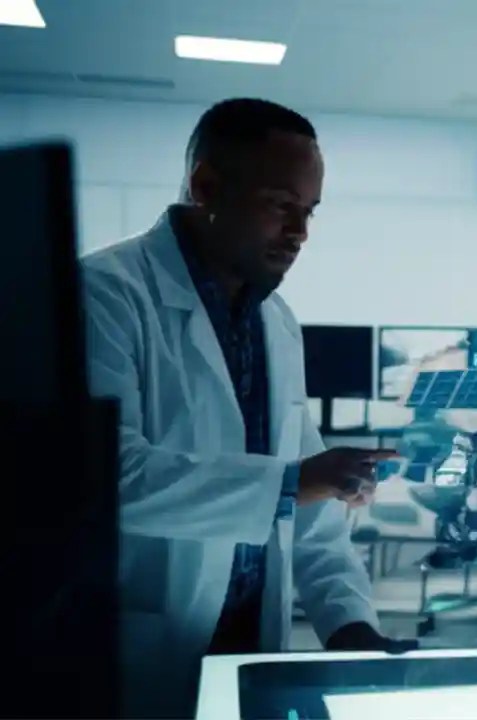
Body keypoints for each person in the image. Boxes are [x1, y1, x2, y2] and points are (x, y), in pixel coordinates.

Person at [82, 98, 410, 718]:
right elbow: (104, 476)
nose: (300, 233)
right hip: (145, 640)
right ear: (207, 185)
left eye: (309, 212)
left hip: (251, 646)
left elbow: (311, 513)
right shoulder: (105, 295)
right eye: (281, 206)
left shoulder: (275, 320)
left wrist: (349, 626)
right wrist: (291, 484)